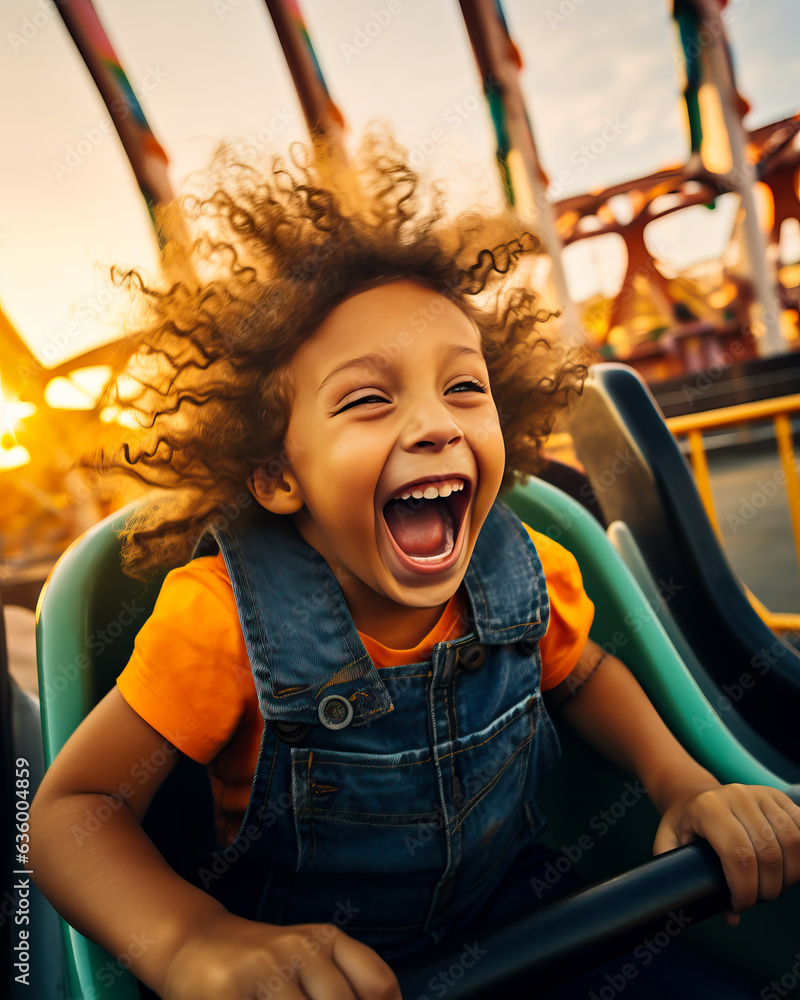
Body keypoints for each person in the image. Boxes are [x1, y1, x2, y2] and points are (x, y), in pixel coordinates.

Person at [30, 135, 800, 1000]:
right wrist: (191, 943)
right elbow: (72, 813)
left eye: (464, 389)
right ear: (281, 475)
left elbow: (584, 675)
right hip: (308, 968)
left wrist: (683, 782)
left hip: (522, 918)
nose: (437, 424)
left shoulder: (525, 565)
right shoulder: (219, 621)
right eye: (368, 399)